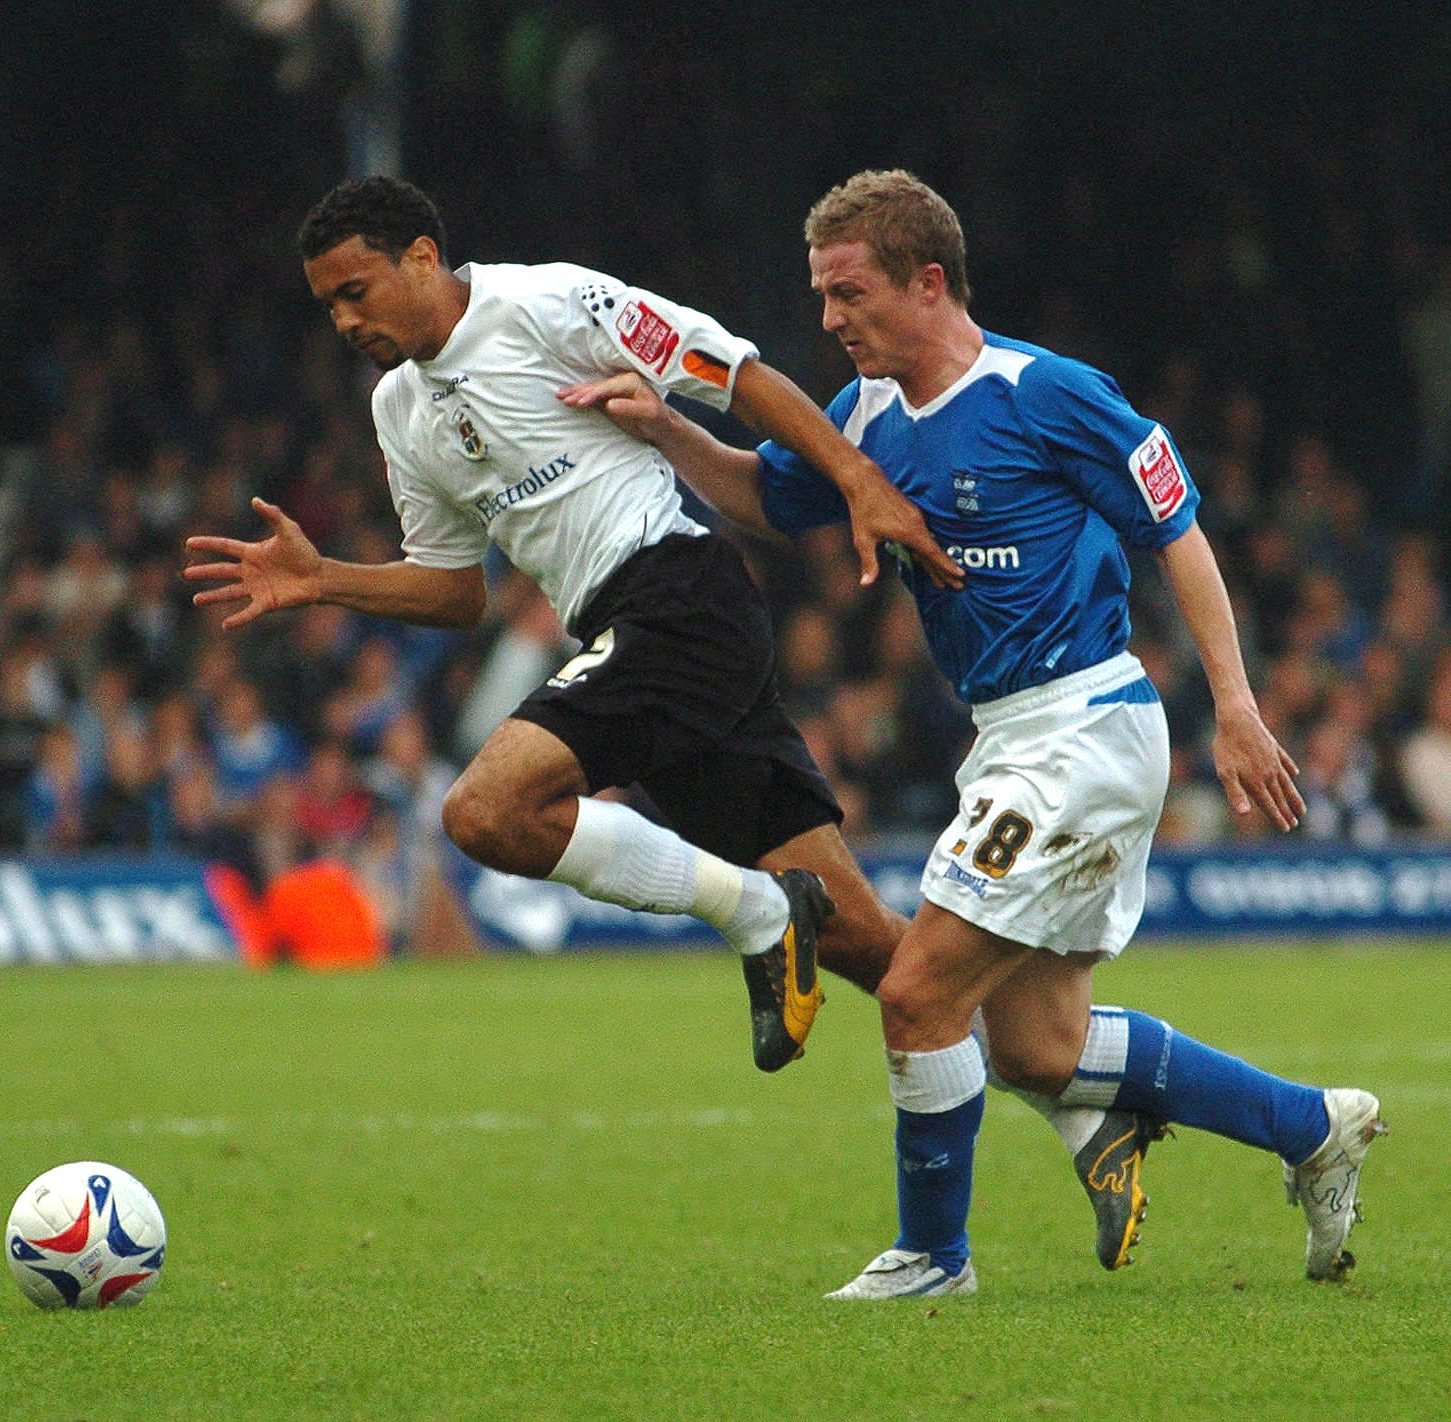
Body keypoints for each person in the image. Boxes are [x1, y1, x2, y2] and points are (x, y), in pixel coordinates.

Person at [560, 169, 1387, 1296]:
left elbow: (1177, 528)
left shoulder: (1044, 393)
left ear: (928, 281)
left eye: (849, 293)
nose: (828, 320)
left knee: (914, 994)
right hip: (1009, 740)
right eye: (820, 296)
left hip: (1084, 725)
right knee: (1037, 1051)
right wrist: (665, 430)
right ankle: (1311, 1126)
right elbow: (768, 495)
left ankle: (933, 1257)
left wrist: (1236, 707)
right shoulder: (862, 418)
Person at [186, 174, 965, 1079]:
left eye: (355, 292)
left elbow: (737, 375)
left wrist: (859, 482)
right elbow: (453, 592)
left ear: (423, 258)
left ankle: (757, 914)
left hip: (678, 597)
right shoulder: (398, 409)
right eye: (327, 307)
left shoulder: (550, 303)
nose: (345, 320)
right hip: (635, 640)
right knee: (865, 942)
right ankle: (1080, 1077)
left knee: (485, 811)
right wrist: (325, 580)